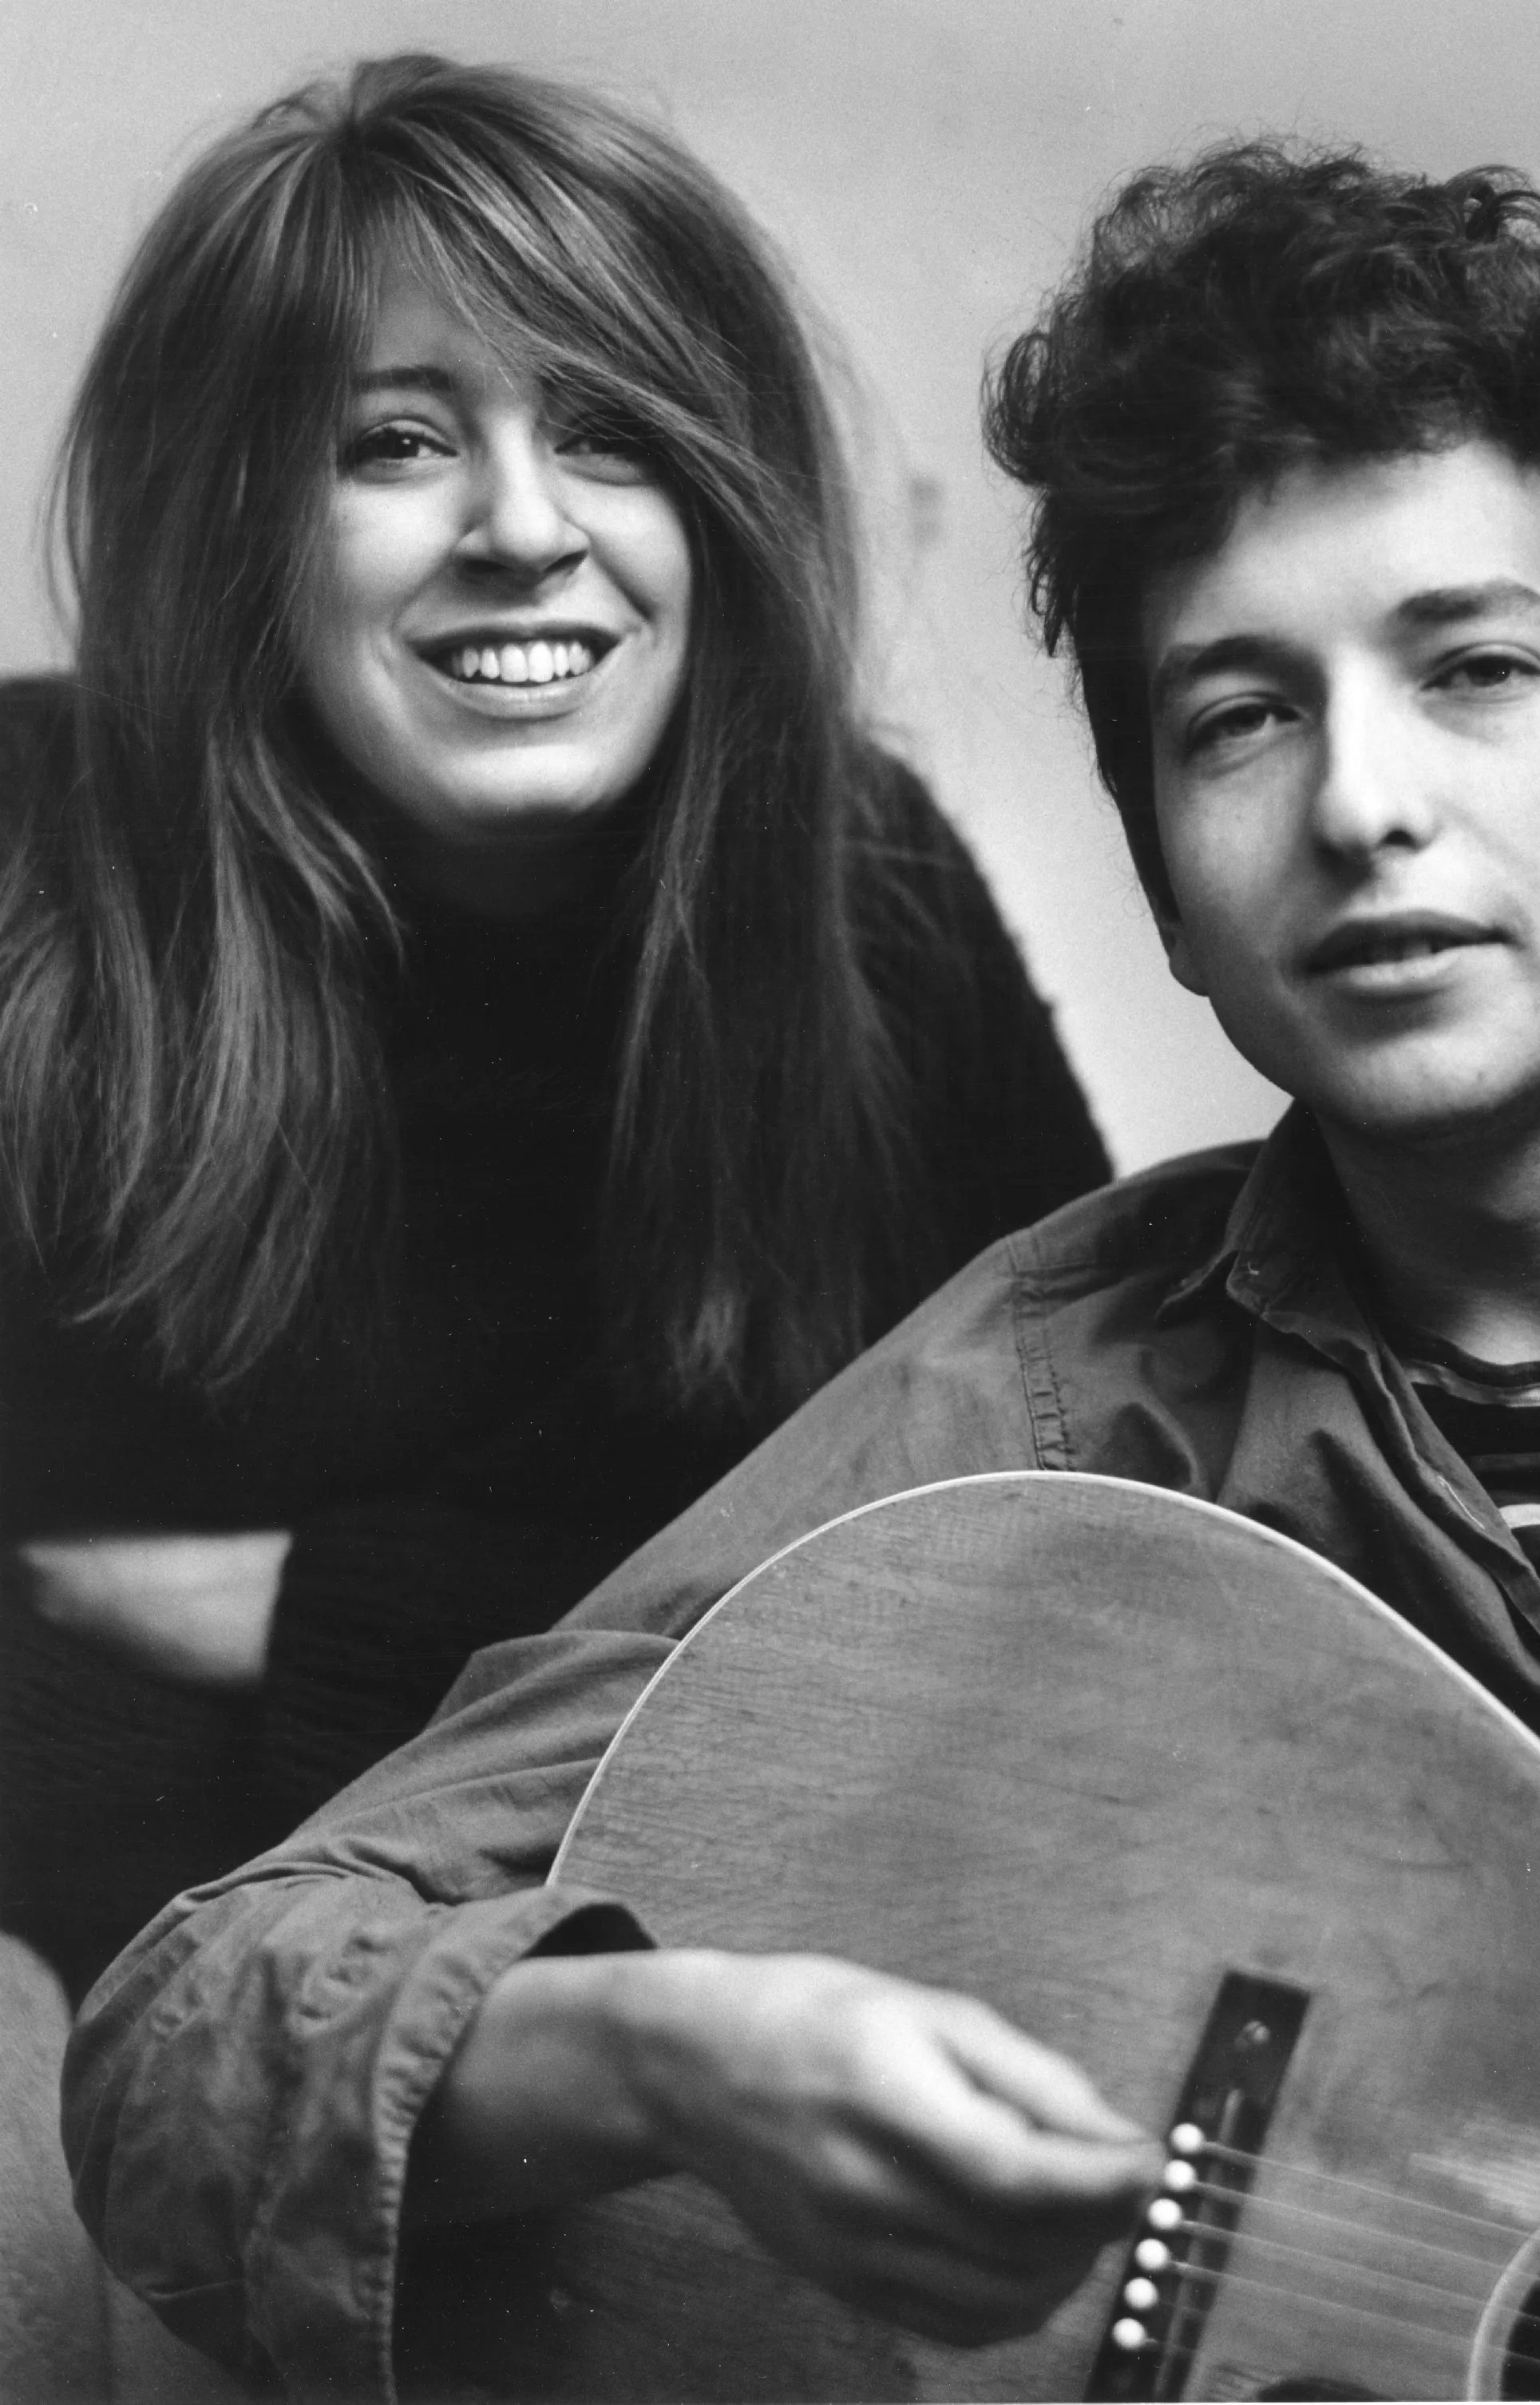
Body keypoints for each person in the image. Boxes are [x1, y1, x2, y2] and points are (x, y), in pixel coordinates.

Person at [65, 139, 1540, 2400]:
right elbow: (187, 2044)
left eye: (1474, 667)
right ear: (1170, 898)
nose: (1361, 804)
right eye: (1241, 717)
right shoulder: (1039, 1416)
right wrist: (666, 2048)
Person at [0, 53, 1110, 2005]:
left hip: (691, 2022)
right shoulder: (28, 850)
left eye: (609, 432)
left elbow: (1068, 1569)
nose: (524, 527)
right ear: (235, 520)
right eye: (395, 445)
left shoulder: (862, 887)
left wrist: (325, 1615)